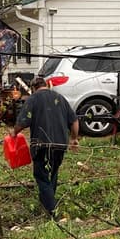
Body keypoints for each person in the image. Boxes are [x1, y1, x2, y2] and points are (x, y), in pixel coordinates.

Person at [11, 76, 79, 219]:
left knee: (42, 177)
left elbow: (23, 121)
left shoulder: (33, 99)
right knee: (52, 174)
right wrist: (74, 139)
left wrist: (14, 133)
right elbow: (74, 121)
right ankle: (47, 204)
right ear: (46, 85)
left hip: (41, 144)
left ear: (33, 87)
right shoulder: (60, 98)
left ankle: (52, 212)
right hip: (60, 144)